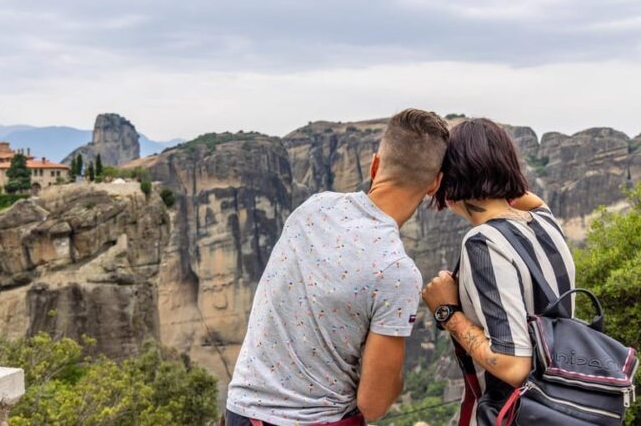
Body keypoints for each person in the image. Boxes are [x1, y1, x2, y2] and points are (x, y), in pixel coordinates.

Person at [225, 109, 450, 425]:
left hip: (240, 410)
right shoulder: (397, 271)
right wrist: (394, 379)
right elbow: (373, 404)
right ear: (435, 184)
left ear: (375, 165)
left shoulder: (312, 208)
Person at [422, 118, 576, 425]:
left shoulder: (483, 243)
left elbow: (513, 366)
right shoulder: (544, 220)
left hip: (515, 414)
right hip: (562, 405)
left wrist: (447, 312)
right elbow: (527, 198)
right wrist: (499, 173)